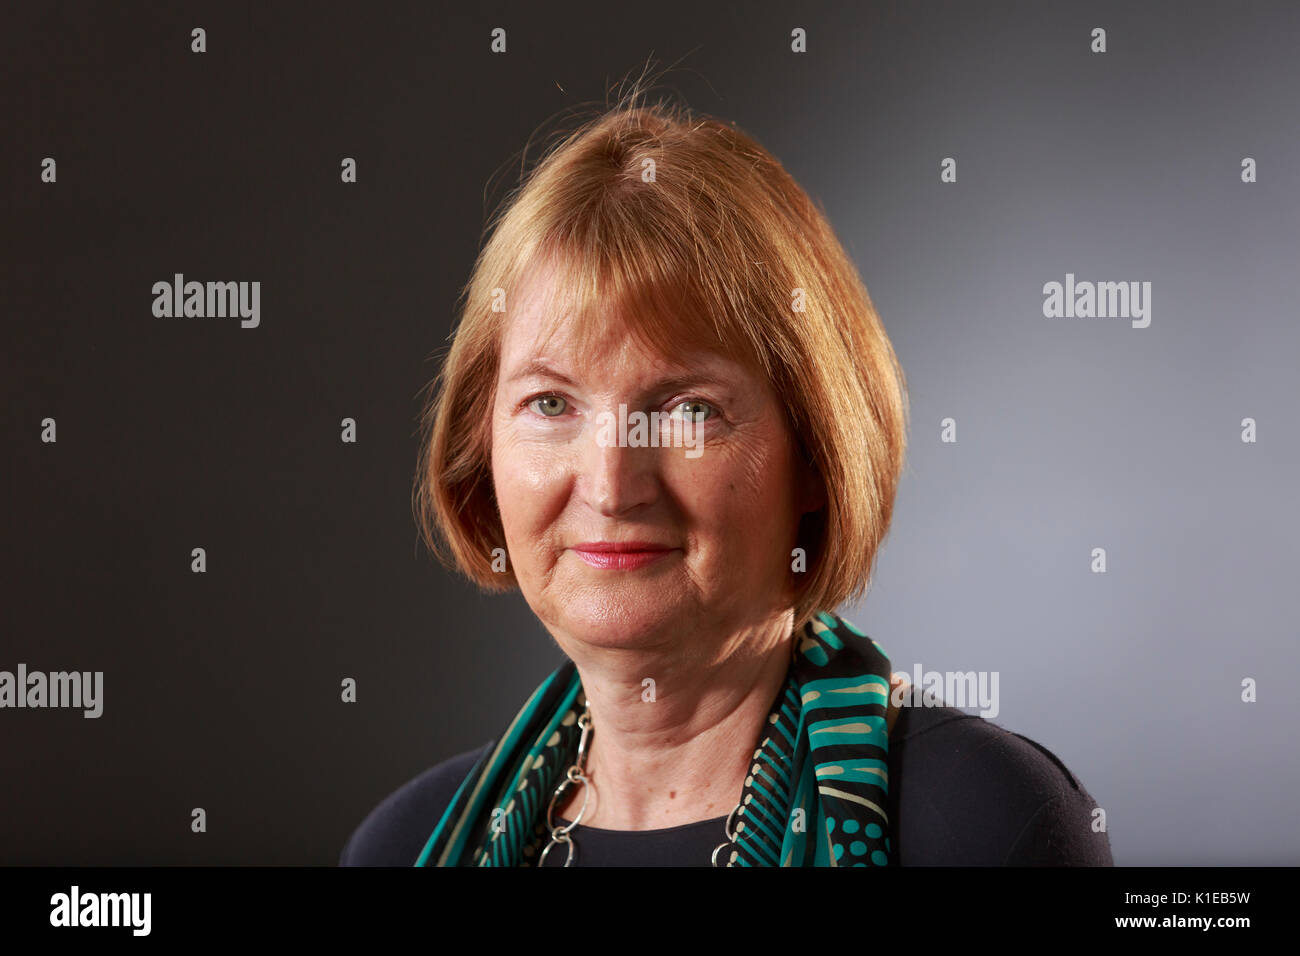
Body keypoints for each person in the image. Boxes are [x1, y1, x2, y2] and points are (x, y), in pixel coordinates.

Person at [342, 91, 1113, 867]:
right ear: (482, 442)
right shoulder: (403, 845)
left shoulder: (988, 824)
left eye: (687, 410)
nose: (612, 486)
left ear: (815, 451)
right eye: (550, 402)